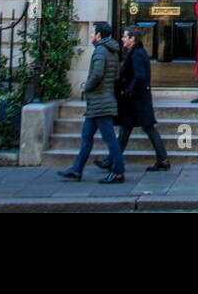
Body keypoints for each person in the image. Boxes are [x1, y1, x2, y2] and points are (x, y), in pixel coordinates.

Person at [95, 27, 170, 172]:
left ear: (132, 39)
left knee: (141, 129)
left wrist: (128, 91)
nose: (122, 39)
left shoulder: (136, 54)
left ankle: (163, 159)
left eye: (125, 37)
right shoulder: (138, 52)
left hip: (137, 100)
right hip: (137, 99)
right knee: (127, 130)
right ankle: (112, 160)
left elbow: (139, 76)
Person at [59, 22, 125, 184]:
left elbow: (96, 74)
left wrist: (86, 87)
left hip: (100, 102)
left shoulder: (101, 51)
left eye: (93, 32)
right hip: (102, 100)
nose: (90, 35)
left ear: (99, 35)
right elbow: (116, 74)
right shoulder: (112, 51)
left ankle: (118, 171)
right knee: (86, 136)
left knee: (110, 140)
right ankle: (77, 169)